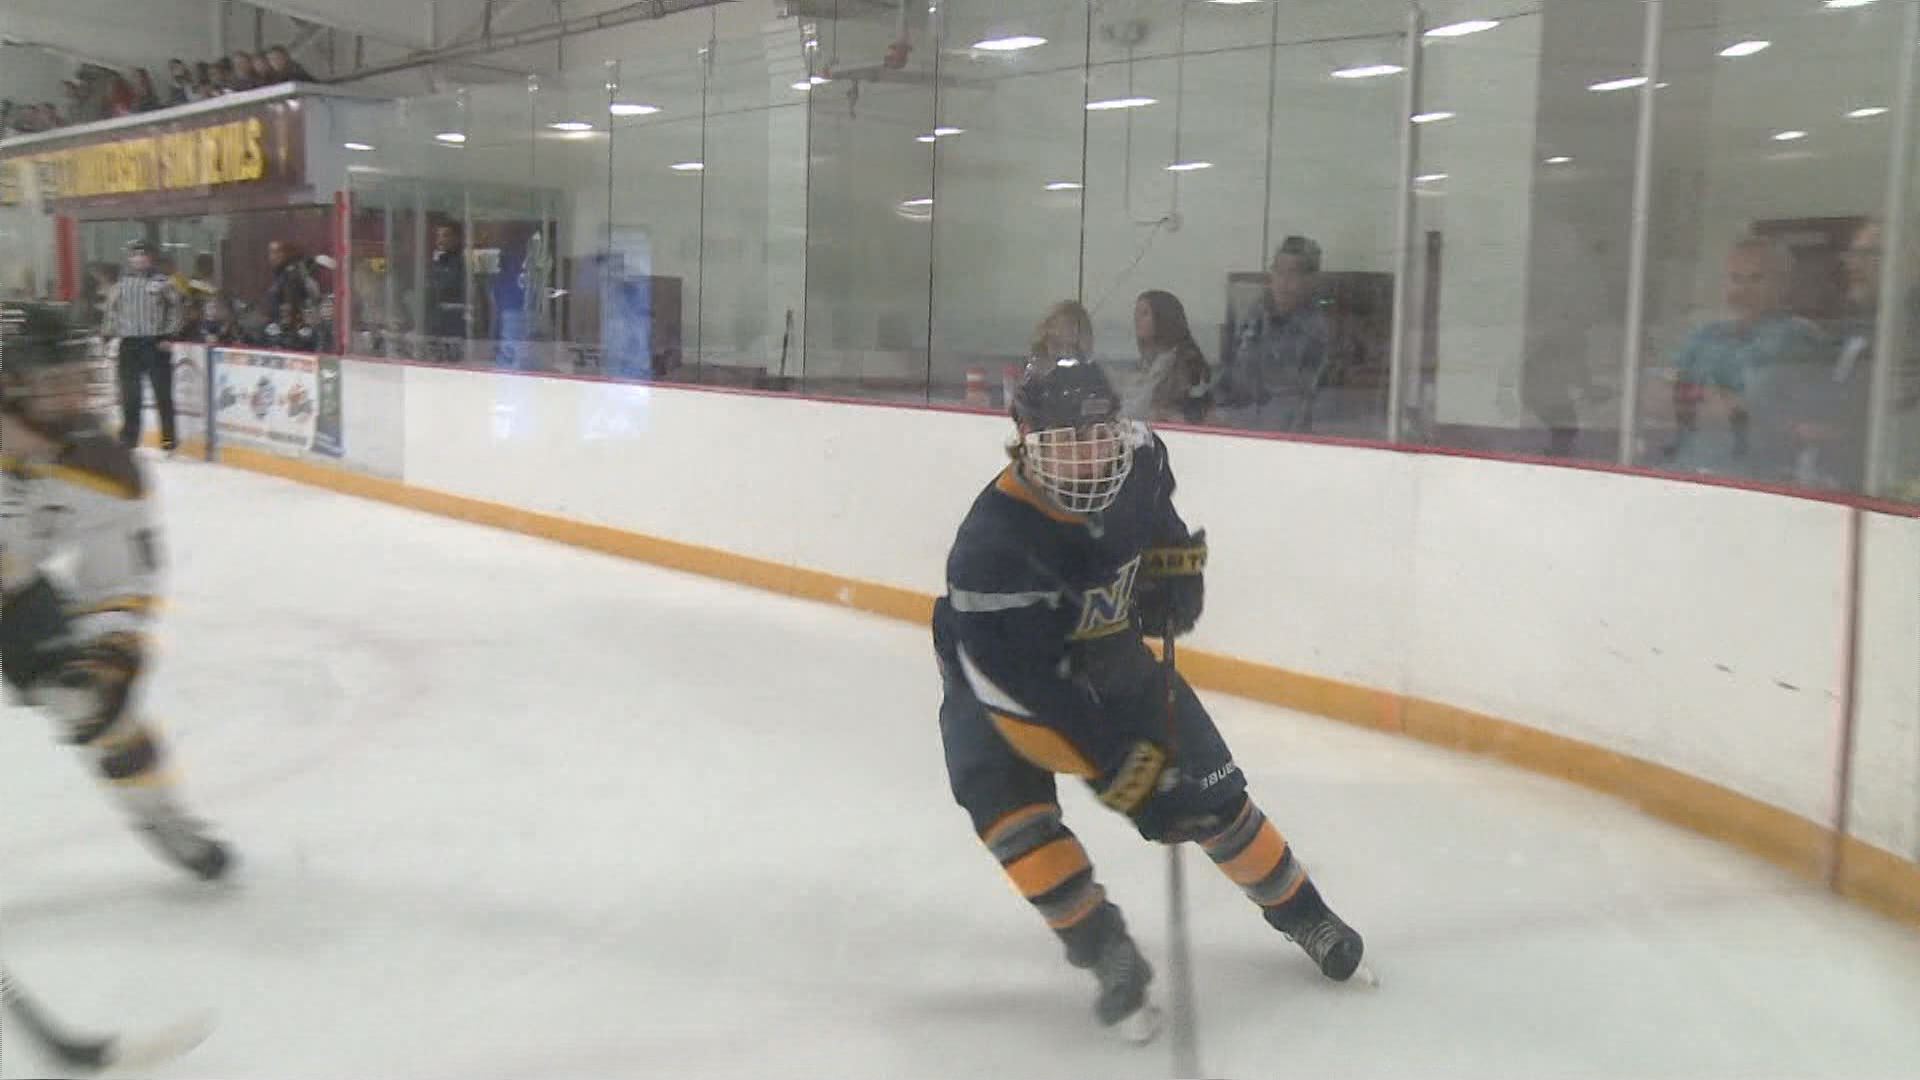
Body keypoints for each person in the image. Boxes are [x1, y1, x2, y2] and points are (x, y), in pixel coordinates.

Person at [930, 357, 1365, 1038]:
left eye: (1099, 436)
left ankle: (1305, 912)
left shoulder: (1140, 462)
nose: (1091, 457)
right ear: (1023, 443)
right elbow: (1032, 698)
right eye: (1068, 444)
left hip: (1113, 659)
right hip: (1003, 693)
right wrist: (1130, 777)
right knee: (1014, 818)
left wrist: (1174, 575)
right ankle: (1105, 951)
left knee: (1216, 802)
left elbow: (1158, 521)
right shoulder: (991, 548)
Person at [0, 301, 233, 881]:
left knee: (91, 700)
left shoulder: (99, 463)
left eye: (80, 376)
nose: (77, 396)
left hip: (14, 592)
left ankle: (161, 815)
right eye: (56, 382)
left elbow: (118, 577)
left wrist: (112, 648)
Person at [1218, 235, 1332, 432]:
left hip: (1280, 428)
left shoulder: (1316, 328)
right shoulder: (1258, 312)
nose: (1283, 282)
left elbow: (1292, 395)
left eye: (1293, 273)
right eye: (1278, 271)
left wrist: (1228, 419)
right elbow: (1233, 368)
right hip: (1242, 414)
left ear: (1310, 281)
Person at [102, 239, 184, 452]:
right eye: (135, 255)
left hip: (155, 344)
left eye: (143, 255)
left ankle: (168, 441)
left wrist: (169, 335)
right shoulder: (121, 285)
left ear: (150, 258)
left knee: (162, 395)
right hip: (129, 344)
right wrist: (107, 334)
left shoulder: (163, 282)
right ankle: (129, 439)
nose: (139, 259)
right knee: (130, 395)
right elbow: (111, 311)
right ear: (130, 259)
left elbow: (176, 309)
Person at [1127, 289, 1212, 424]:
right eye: (1136, 313)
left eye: (1144, 313)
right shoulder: (1147, 363)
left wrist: (1163, 414)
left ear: (1163, 317)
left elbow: (1193, 414)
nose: (1137, 319)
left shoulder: (1186, 364)